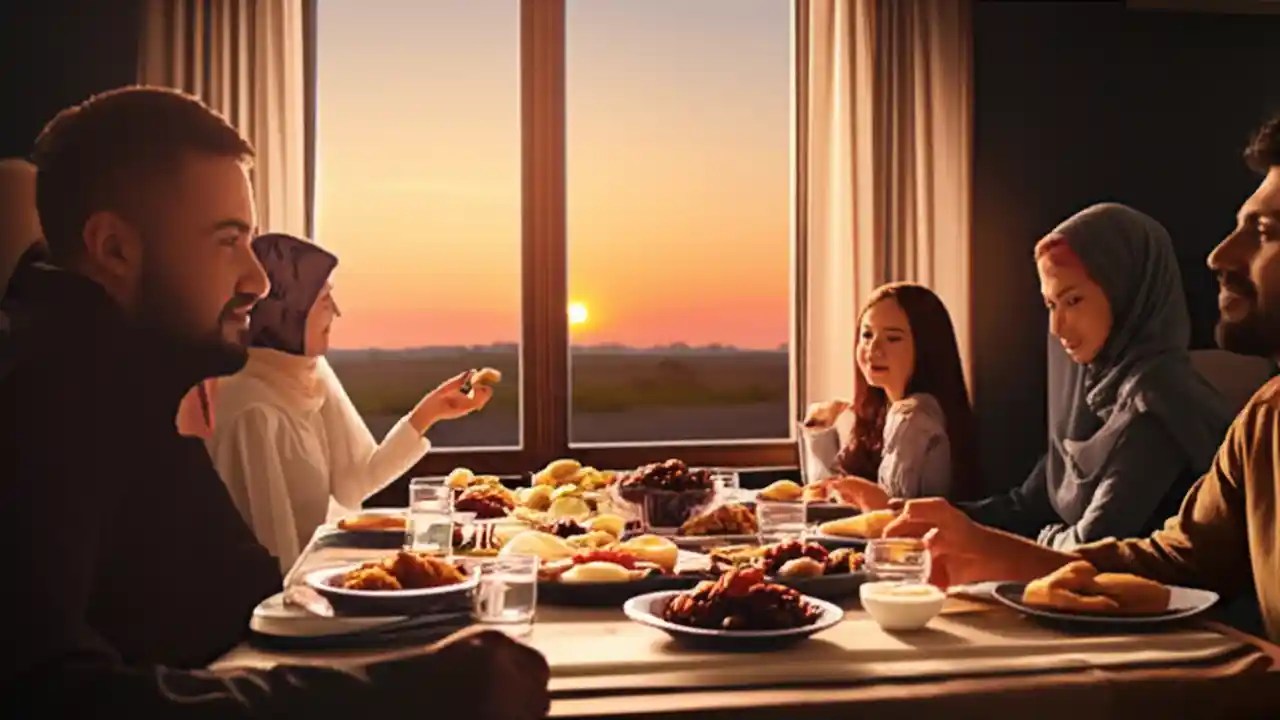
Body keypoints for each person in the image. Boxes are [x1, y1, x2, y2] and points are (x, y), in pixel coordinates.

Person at [0, 86, 548, 718]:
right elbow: (43, 694)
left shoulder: (123, 385)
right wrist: (415, 693)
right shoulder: (47, 407)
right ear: (115, 249)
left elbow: (238, 610)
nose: (258, 282)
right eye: (227, 240)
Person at [883, 113, 1280, 644]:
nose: (1218, 257)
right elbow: (1177, 561)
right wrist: (982, 544)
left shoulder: (1159, 400)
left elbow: (1109, 542)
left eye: (1265, 232)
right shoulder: (1265, 420)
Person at [817, 204, 1232, 550]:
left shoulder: (1159, 405)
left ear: (1128, 293)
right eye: (1050, 304)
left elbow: (1091, 548)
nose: (1057, 327)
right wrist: (901, 513)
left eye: (1073, 300)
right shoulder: (1093, 396)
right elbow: (1023, 507)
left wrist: (1044, 536)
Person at [207, 232, 493, 572]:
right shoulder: (251, 411)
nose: (337, 313)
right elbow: (275, 561)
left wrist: (429, 413)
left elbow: (355, 480)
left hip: (318, 584)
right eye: (325, 299)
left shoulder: (310, 375)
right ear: (288, 309)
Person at [801, 282, 978, 502]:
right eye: (866, 335)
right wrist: (819, 431)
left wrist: (820, 441)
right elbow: (832, 499)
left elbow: (886, 518)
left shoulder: (913, 417)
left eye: (892, 338)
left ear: (926, 347)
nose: (873, 349)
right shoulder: (887, 411)